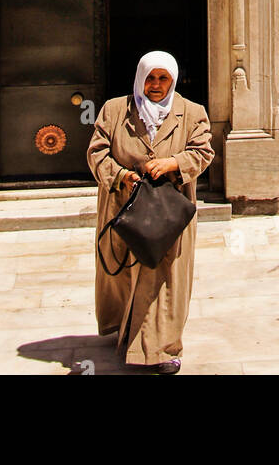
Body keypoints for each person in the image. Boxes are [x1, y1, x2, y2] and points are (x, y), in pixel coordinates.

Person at [87, 49, 214, 374]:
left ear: (173, 80)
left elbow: (203, 151)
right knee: (127, 275)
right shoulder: (115, 111)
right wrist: (121, 176)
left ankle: (163, 349)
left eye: (163, 78)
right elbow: (97, 152)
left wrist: (175, 163)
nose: (156, 85)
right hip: (124, 208)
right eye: (150, 78)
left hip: (168, 213)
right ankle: (128, 335)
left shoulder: (192, 112)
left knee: (166, 280)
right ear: (140, 78)